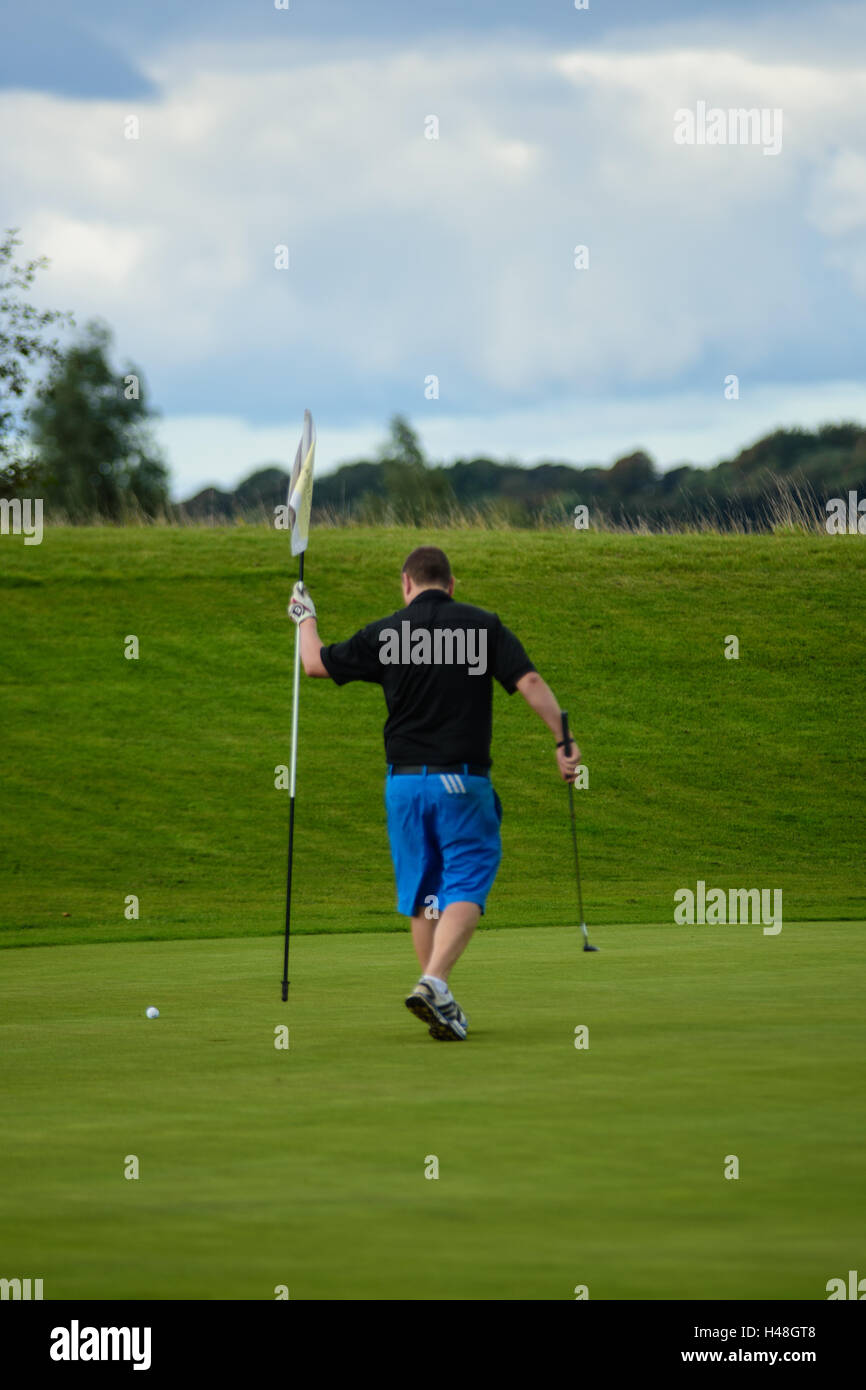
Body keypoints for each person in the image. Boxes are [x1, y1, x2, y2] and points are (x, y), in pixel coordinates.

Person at [288, 545, 580, 1041]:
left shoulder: (386, 631)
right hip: (460, 780)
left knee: (425, 892)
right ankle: (434, 981)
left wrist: (304, 616)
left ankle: (437, 998)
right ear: (451, 584)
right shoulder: (481, 626)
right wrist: (563, 739)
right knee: (467, 878)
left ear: (406, 583)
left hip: (402, 784)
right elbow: (527, 680)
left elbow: (314, 664)